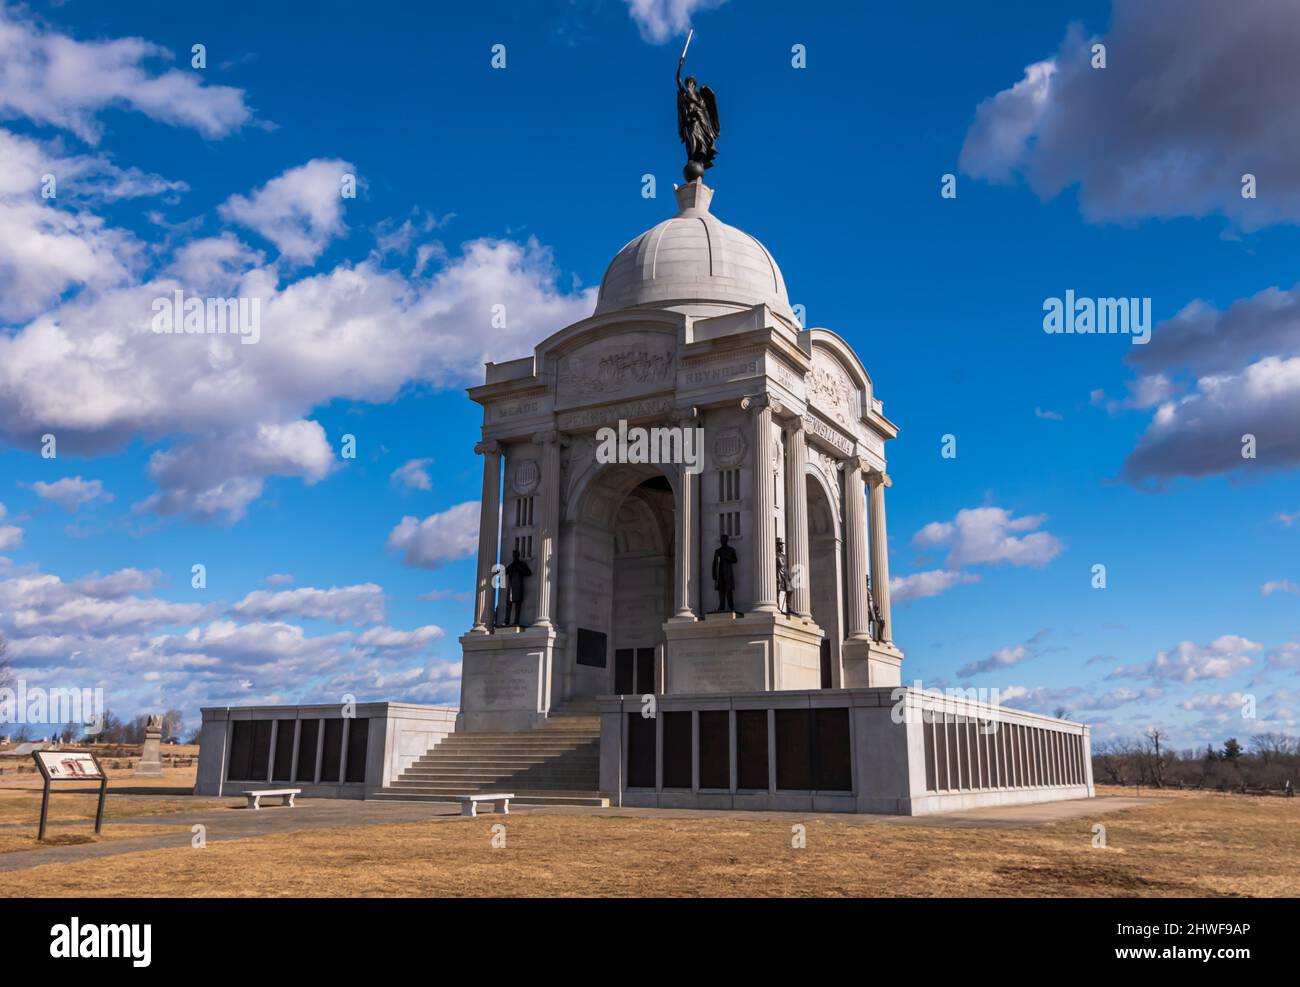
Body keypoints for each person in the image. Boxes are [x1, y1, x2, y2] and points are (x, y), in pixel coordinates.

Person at [504, 549, 531, 627]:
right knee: (508, 604)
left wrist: (520, 569)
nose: (514, 556)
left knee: (517, 605)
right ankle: (506, 621)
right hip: (511, 588)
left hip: (518, 587)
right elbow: (505, 571)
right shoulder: (511, 565)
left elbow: (528, 573)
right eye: (513, 555)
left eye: (515, 555)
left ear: (518, 555)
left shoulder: (521, 564)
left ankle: (516, 621)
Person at [711, 534, 737, 613]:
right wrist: (714, 574)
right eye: (721, 539)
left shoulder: (731, 550)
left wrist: (727, 558)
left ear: (727, 540)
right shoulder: (717, 551)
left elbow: (735, 560)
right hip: (720, 574)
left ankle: (731, 606)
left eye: (724, 539)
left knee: (729, 590)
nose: (722, 541)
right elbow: (714, 563)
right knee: (721, 590)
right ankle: (721, 605)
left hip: (728, 574)